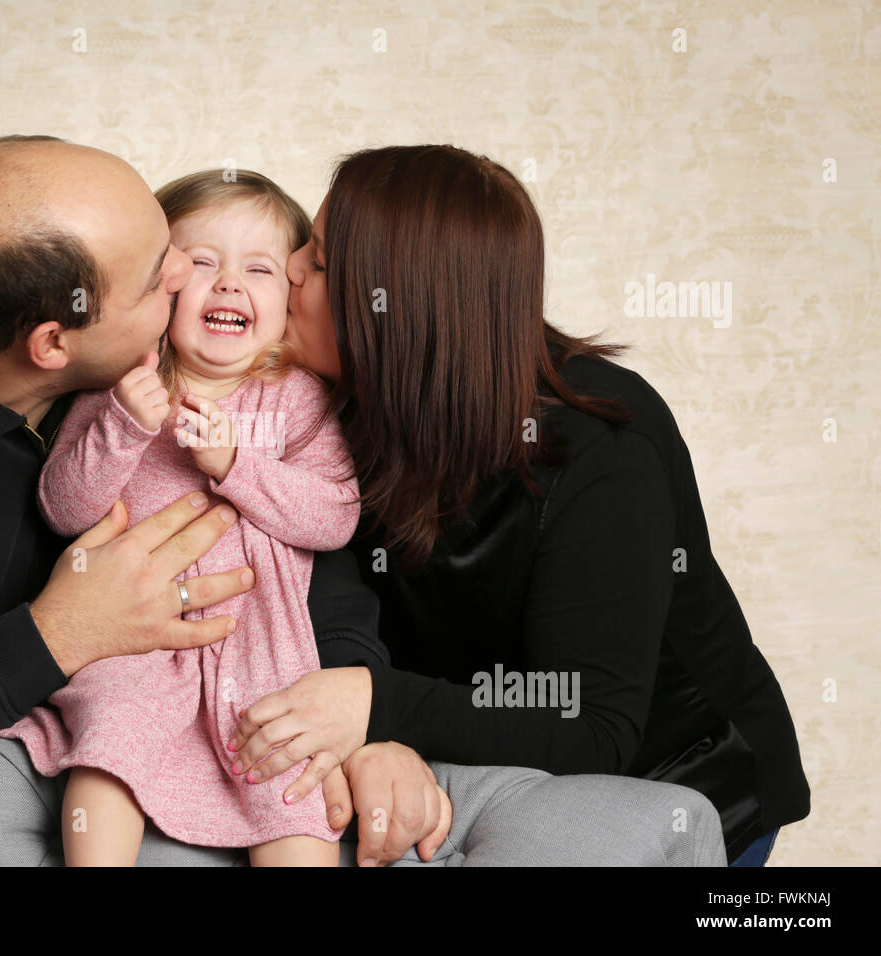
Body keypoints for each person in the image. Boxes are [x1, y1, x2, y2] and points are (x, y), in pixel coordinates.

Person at [0, 135, 726, 868]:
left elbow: (320, 568)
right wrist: (59, 634)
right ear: (54, 335)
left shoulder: (286, 388)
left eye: (302, 265)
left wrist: (375, 713)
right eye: (167, 272)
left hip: (634, 777)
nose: (212, 286)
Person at [226, 144, 811, 866]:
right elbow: (330, 594)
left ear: (394, 305)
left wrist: (377, 706)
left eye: (317, 262)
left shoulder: (604, 444)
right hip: (476, 762)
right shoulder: (329, 408)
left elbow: (591, 724)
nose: (287, 268)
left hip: (675, 778)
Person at [0, 169, 359, 865]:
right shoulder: (123, 388)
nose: (228, 284)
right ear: (162, 284)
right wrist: (126, 429)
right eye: (201, 264)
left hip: (262, 658)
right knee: (109, 740)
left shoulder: (296, 400)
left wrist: (237, 466)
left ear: (289, 299)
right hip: (135, 644)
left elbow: (335, 515)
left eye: (257, 269)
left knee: (289, 784)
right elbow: (63, 506)